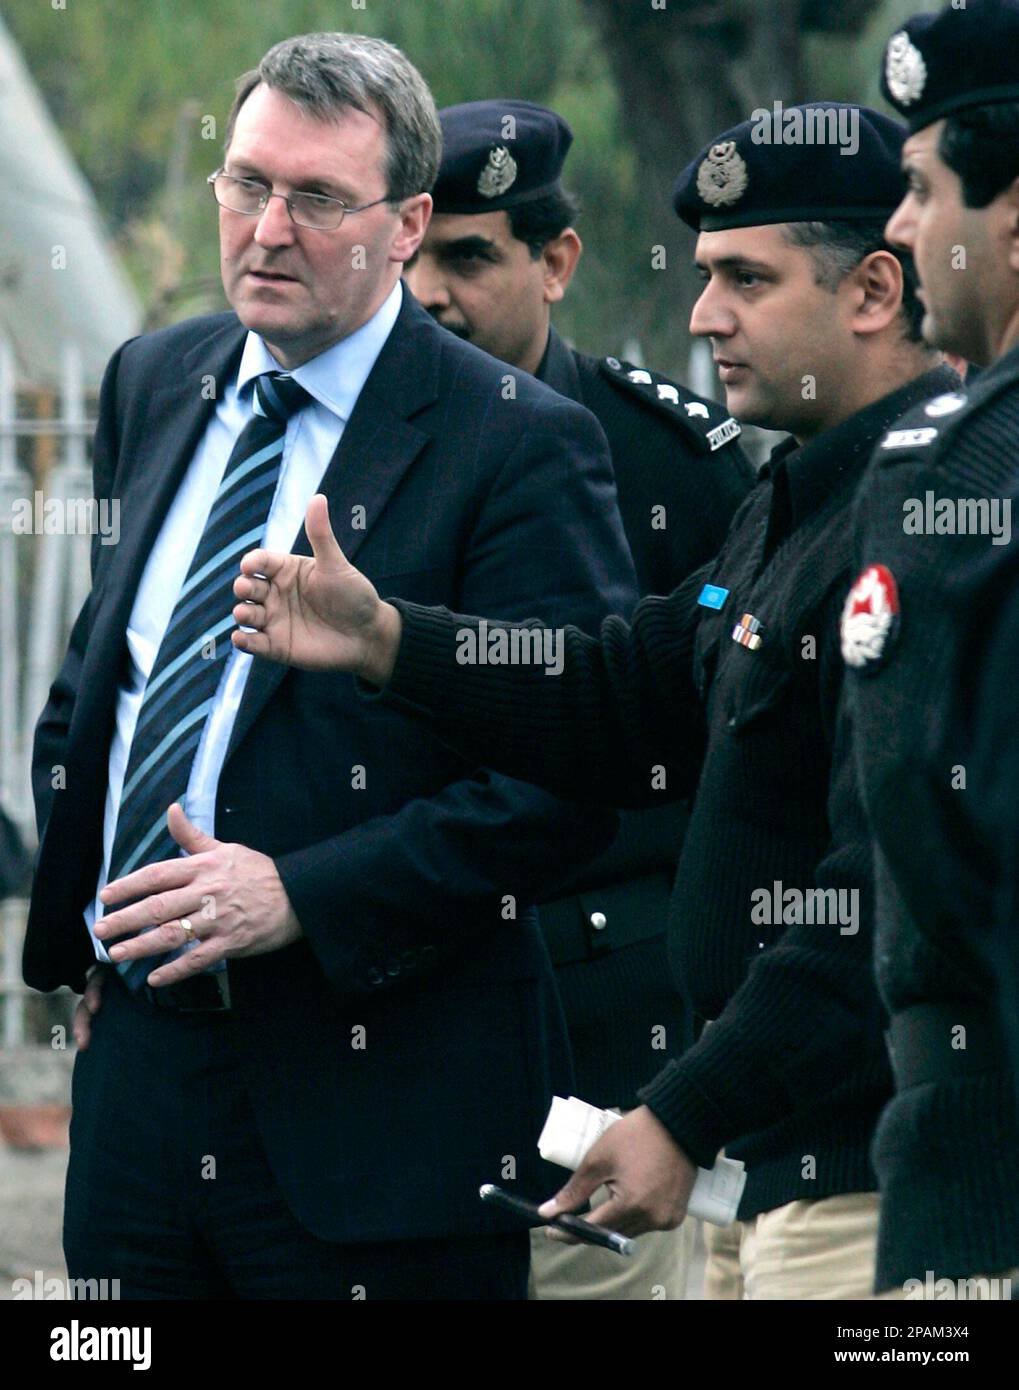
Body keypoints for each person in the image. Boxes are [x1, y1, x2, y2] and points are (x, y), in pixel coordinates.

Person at [232, 106, 956, 1299]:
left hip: (873, 1188)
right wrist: (391, 641)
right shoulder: (798, 495)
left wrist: (680, 1111)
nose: (700, 313)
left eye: (742, 279)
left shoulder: (925, 514)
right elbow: (628, 685)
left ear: (873, 291)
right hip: (779, 1171)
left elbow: (872, 893)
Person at [23, 31, 640, 1301]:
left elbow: (569, 779)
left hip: (377, 1107)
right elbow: (110, 681)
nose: (267, 228)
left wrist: (302, 894)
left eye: (316, 199)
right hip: (139, 1083)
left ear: (408, 221)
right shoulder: (157, 378)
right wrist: (87, 933)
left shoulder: (518, 444)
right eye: (246, 184)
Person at [406, 98, 754, 1301]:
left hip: (597, 1030)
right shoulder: (345, 452)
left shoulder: (670, 460)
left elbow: (731, 746)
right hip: (384, 1017)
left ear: (555, 261)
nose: (432, 295)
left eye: (469, 256)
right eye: (407, 258)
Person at [838, 0, 1019, 1296]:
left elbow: (933, 814)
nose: (896, 231)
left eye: (917, 191)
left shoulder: (956, 465)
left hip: (975, 1183)